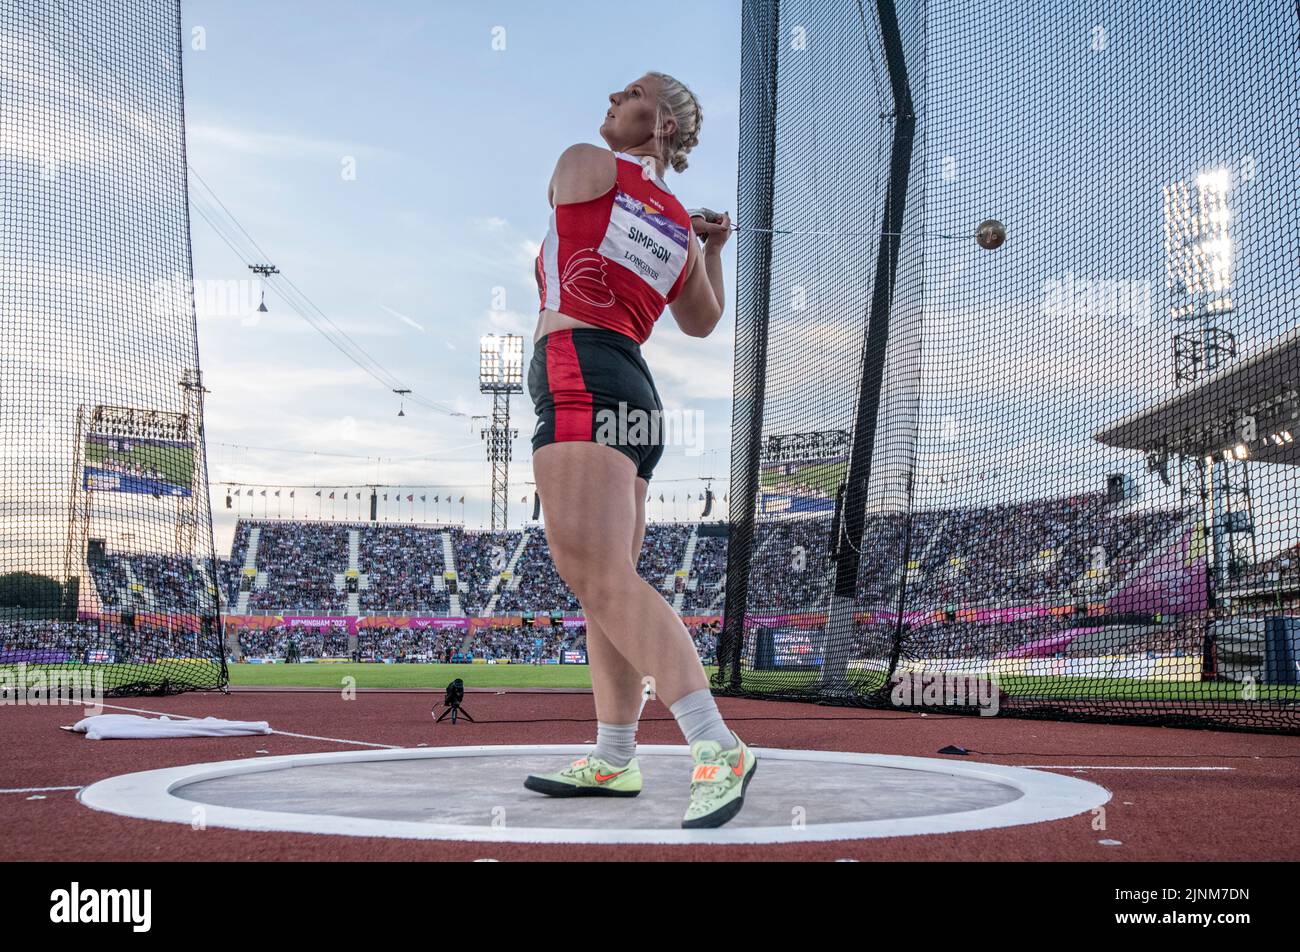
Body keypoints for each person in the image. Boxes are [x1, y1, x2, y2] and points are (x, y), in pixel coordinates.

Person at [521, 72, 756, 829]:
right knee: (608, 580)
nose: (611, 95)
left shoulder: (584, 160)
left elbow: (567, 203)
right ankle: (614, 756)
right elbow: (701, 320)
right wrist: (707, 246)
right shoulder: (683, 230)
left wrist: (651, 192)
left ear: (659, 123)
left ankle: (716, 744)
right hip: (633, 389)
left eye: (630, 92)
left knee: (590, 569)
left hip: (582, 370)